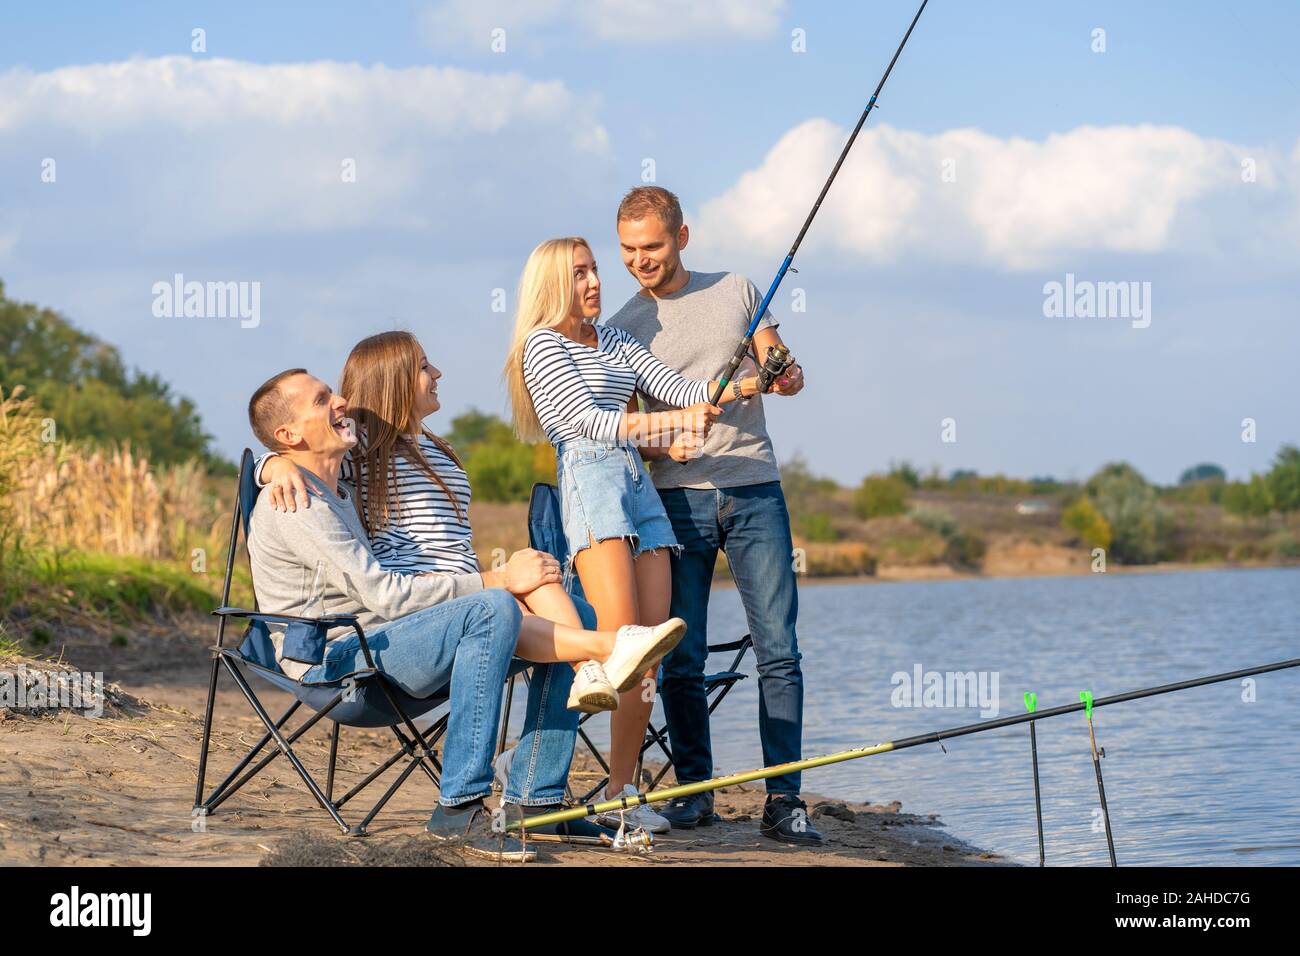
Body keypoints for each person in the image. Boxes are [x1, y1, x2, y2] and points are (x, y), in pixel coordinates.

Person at [246, 366, 680, 858]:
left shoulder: (336, 487)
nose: (341, 401)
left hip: (380, 642)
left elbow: (289, 461)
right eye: (323, 399)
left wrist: (272, 463)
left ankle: (534, 800)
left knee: (571, 609)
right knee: (492, 607)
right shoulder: (299, 504)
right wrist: (496, 580)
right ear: (290, 435)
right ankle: (458, 808)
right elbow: (385, 595)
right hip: (336, 662)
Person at [503, 236, 761, 833]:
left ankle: (623, 791)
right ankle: (528, 763)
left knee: (648, 654)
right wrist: (670, 424)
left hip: (639, 485)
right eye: (581, 274)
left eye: (595, 271)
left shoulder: (615, 340)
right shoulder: (542, 346)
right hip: (590, 480)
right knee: (620, 640)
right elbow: (584, 421)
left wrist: (742, 385)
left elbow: (684, 392)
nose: (595, 282)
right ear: (552, 285)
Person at [605, 186, 823, 845]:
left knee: (779, 649)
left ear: (682, 237)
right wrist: (662, 439)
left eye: (653, 246)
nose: (641, 260)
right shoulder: (619, 328)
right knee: (682, 655)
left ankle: (784, 801)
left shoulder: (736, 289)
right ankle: (694, 795)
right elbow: (620, 429)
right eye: (628, 250)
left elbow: (788, 372)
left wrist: (782, 373)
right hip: (676, 499)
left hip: (755, 486)